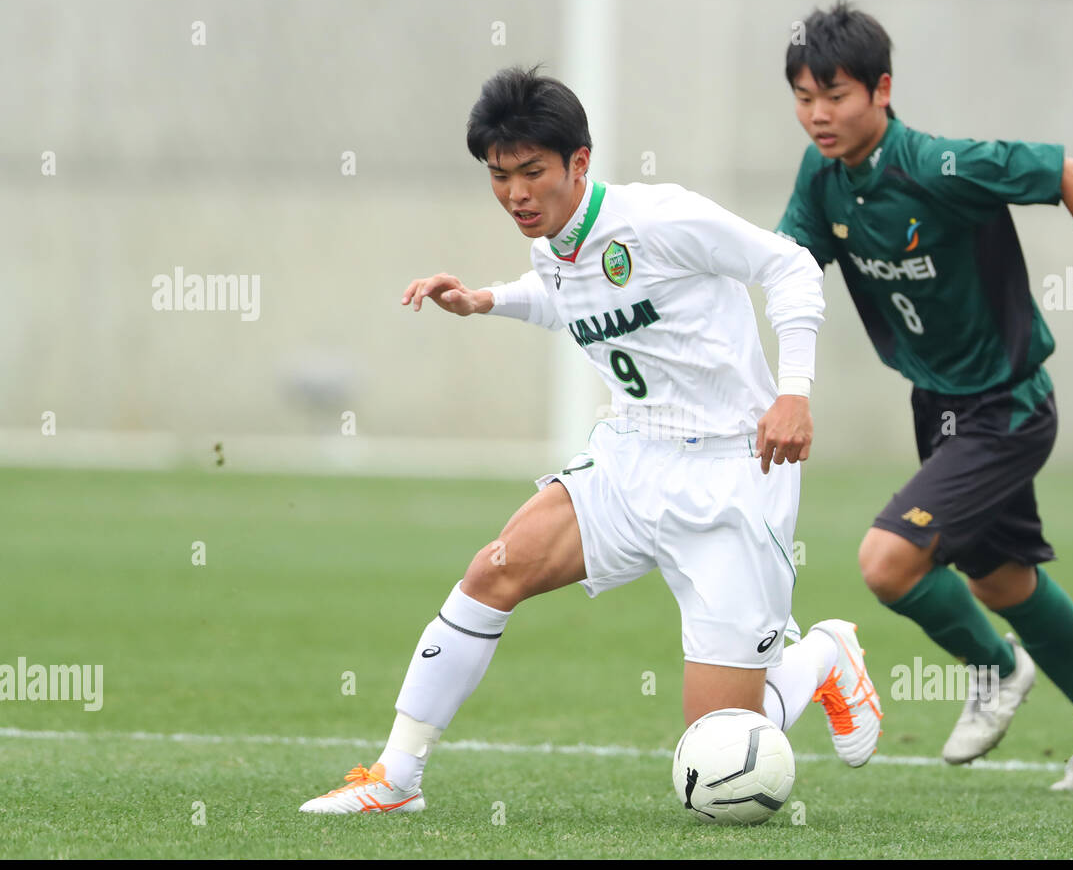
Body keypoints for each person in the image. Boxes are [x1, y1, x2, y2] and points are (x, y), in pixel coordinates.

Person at [300, 65, 881, 814]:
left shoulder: (659, 219)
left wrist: (794, 392)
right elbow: (567, 299)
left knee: (722, 748)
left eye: (532, 172)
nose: (515, 194)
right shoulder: (552, 242)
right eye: (499, 175)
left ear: (579, 162)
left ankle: (823, 654)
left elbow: (790, 265)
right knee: (491, 574)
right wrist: (488, 301)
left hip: (732, 477)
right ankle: (395, 780)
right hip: (630, 459)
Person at [776, 3, 1073, 790]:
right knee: (999, 579)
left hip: (1008, 405)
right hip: (938, 407)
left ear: (882, 90)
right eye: (802, 96)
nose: (818, 114)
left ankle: (996, 667)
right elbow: (787, 266)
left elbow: (1072, 175)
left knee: (887, 564)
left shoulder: (939, 167)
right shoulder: (822, 180)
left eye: (836, 94)